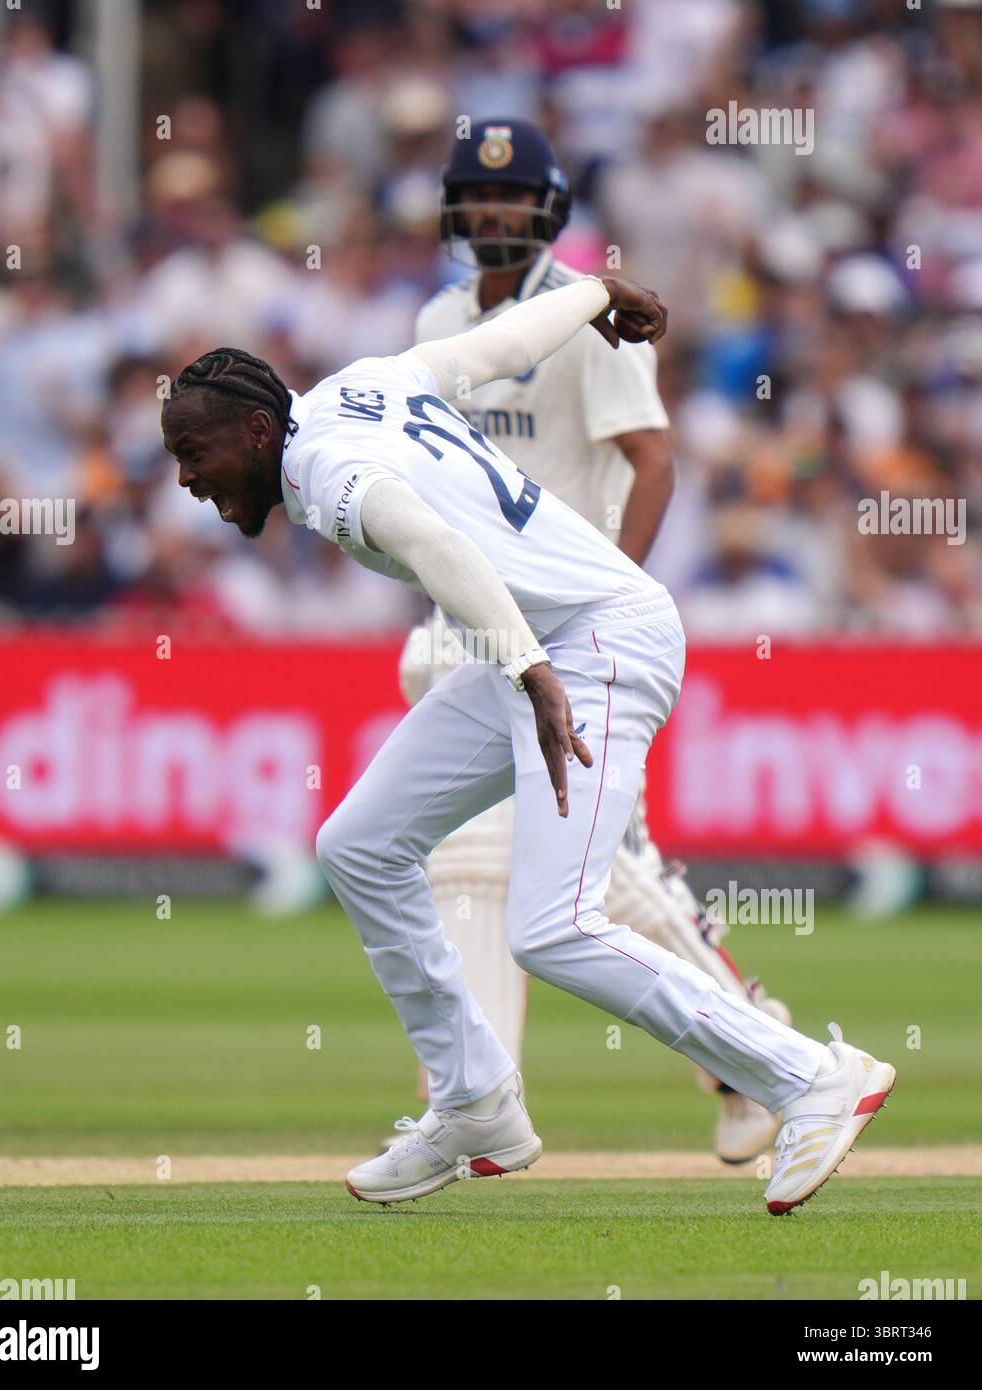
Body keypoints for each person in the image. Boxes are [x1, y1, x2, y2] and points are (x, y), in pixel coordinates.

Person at [160, 272, 896, 1214]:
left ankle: (810, 1078)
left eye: (194, 451)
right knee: (359, 845)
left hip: (593, 645)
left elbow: (434, 546)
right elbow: (494, 351)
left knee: (552, 926)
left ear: (258, 432)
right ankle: (475, 1101)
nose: (188, 477)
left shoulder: (330, 474)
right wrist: (594, 292)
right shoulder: (356, 387)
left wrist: (531, 674)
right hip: (544, 647)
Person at [398, 117, 793, 1163]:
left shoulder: (582, 312)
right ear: (451, 210)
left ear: (548, 208)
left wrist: (608, 595)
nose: (491, 214)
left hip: (569, 623)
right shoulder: (440, 316)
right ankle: (489, 1108)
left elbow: (652, 462)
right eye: (475, 199)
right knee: (498, 864)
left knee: (565, 872)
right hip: (474, 627)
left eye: (511, 198)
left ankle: (740, 1049)